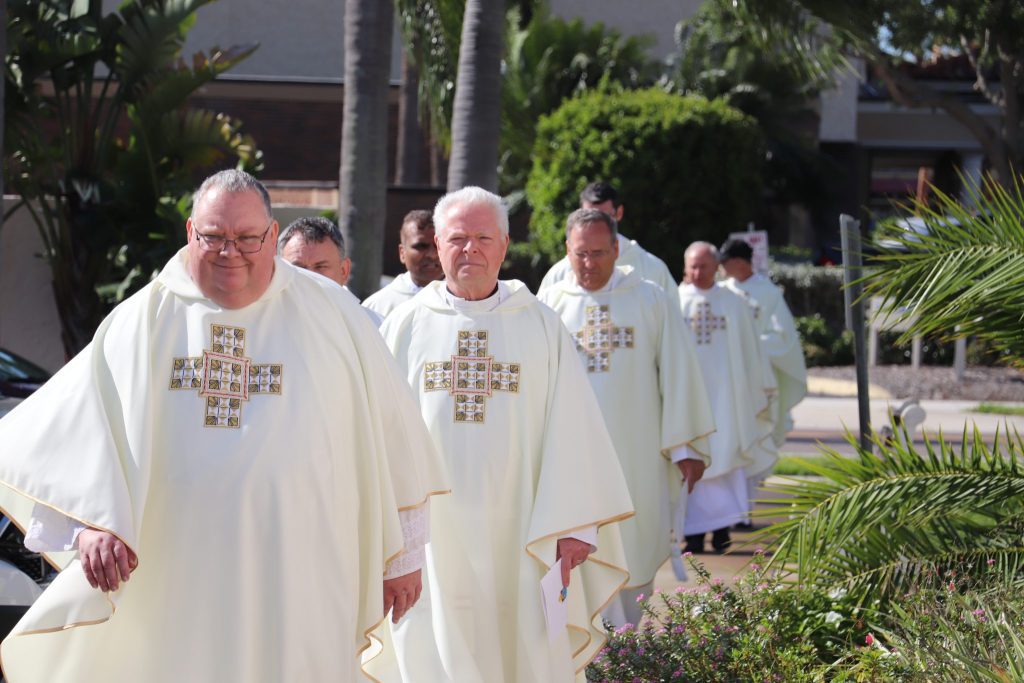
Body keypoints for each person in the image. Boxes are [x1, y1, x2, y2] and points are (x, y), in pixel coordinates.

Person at [0, 170, 448, 681]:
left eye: (246, 238)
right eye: (213, 236)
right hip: (173, 574)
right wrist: (88, 528)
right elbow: (70, 431)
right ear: (191, 232)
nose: (229, 251)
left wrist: (402, 556)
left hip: (303, 568)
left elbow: (393, 433)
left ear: (272, 237)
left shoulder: (333, 314)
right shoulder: (144, 317)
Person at [373, 187, 634, 682]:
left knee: (525, 648)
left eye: (482, 237)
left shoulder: (540, 325)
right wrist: (393, 541)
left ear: (505, 245)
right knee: (430, 646)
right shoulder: (403, 326)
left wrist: (577, 525)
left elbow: (573, 426)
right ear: (438, 242)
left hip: (525, 529)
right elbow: (383, 438)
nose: (469, 249)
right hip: (431, 536)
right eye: (457, 238)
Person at [537, 208, 714, 625]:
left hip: (635, 453)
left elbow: (678, 371)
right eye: (580, 253)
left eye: (599, 253)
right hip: (570, 456)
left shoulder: (650, 298)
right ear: (567, 249)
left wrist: (686, 445)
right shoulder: (550, 302)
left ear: (617, 249)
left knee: (632, 543)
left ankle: (626, 647)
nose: (588, 263)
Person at [675, 241, 774, 553]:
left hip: (726, 400)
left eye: (703, 266)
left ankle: (721, 531)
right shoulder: (672, 302)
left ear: (715, 267)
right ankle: (691, 534)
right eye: (692, 266)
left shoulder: (733, 302)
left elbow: (750, 353)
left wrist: (753, 389)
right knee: (689, 461)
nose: (696, 272)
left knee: (725, 457)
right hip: (688, 400)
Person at [719, 238, 807, 452]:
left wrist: (748, 346)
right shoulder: (719, 291)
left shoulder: (768, 293)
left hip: (757, 375)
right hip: (724, 373)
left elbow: (782, 337)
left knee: (757, 430)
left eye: (725, 262)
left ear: (740, 263)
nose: (720, 267)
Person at [537, 181, 679, 306]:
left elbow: (673, 326)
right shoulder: (559, 274)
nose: (595, 225)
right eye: (588, 216)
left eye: (604, 216)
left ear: (619, 213)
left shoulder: (652, 269)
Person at [277, 215, 383, 325]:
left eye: (320, 267)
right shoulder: (264, 327)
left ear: (343, 271)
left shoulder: (376, 327)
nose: (309, 276)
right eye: (299, 268)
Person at [363, 210, 443, 319]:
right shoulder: (376, 308)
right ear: (402, 253)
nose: (432, 254)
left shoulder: (468, 300)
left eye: (437, 245)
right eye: (421, 246)